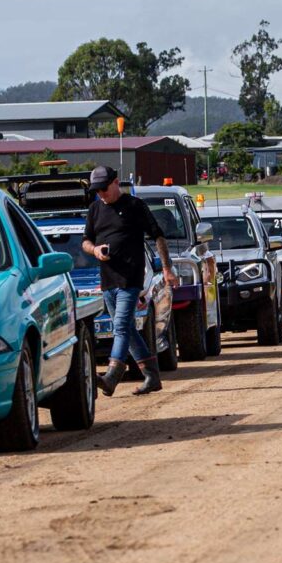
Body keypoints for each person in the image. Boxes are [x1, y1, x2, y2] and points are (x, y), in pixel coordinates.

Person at [83, 166, 175, 396]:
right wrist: (95, 250)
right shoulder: (95, 209)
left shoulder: (134, 206)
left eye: (104, 188)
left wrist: (166, 268)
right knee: (127, 329)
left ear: (115, 183)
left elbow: (158, 235)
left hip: (130, 279)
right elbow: (85, 241)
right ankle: (152, 377)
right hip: (107, 280)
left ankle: (112, 376)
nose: (101, 194)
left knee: (121, 326)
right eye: (97, 190)